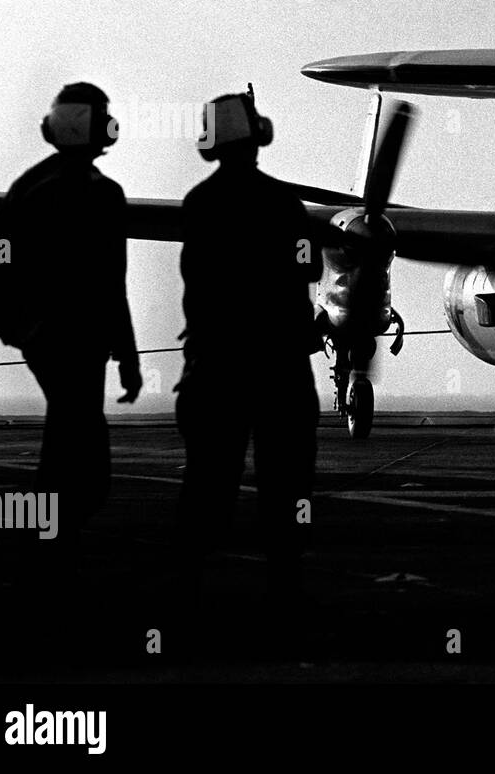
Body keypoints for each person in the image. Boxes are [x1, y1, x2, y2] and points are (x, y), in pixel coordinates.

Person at [0, 82, 141, 553]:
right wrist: (127, 356)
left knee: (67, 441)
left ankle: (46, 542)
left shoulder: (32, 185)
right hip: (77, 343)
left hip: (52, 342)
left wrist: (18, 327)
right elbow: (111, 282)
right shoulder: (101, 193)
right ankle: (48, 544)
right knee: (81, 449)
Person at [174, 88, 321, 605]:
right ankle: (285, 588)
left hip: (215, 364)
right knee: (287, 485)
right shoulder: (284, 202)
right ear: (257, 139)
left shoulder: (199, 204)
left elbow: (196, 280)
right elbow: (311, 267)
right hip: (280, 366)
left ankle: (187, 589)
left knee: (208, 482)